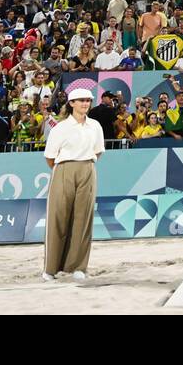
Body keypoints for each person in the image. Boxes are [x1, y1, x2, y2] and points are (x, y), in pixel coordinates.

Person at [42, 87, 105, 281]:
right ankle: (50, 269)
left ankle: (78, 267)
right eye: (81, 100)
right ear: (71, 103)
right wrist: (66, 168)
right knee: (58, 218)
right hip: (63, 170)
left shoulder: (95, 126)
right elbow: (50, 157)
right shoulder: (60, 128)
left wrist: (85, 165)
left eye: (88, 100)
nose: (85, 104)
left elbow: (98, 150)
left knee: (83, 219)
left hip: (87, 169)